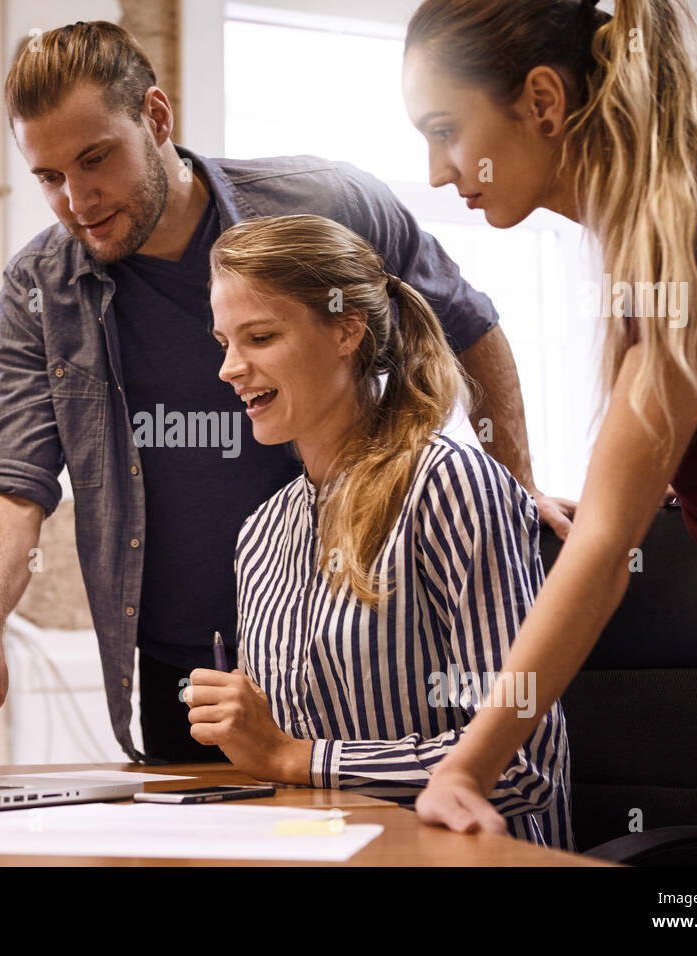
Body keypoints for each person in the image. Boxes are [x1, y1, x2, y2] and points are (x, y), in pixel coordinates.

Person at [0, 20, 569, 768]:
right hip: (190, 673)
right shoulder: (42, 286)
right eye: (48, 177)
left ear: (156, 117)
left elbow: (463, 325)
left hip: (362, 653)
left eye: (95, 159)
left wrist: (514, 488)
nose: (76, 200)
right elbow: (13, 472)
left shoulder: (327, 202)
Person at [401, 0, 697, 865]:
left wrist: (466, 768)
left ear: (543, 100)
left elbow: (604, 546)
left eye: (446, 129)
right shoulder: (669, 220)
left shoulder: (696, 223)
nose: (439, 171)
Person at [182, 214, 572, 848]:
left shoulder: (448, 485)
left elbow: (525, 762)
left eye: (259, 336)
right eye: (224, 341)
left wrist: (294, 758)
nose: (230, 367)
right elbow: (281, 764)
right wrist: (249, 736)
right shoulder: (261, 532)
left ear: (346, 328)